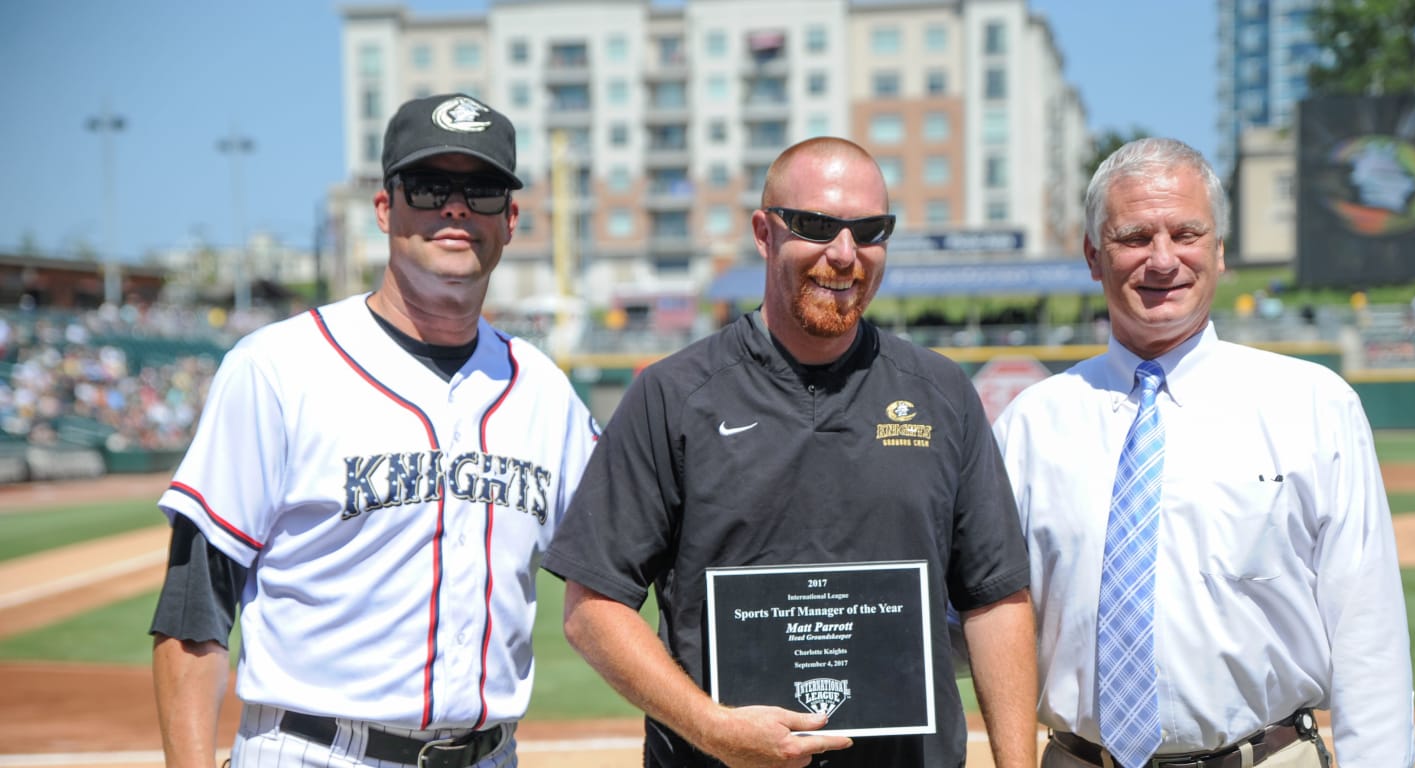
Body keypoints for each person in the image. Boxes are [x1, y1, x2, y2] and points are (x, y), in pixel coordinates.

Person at [542, 137, 1037, 768]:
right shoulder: (672, 394)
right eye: (815, 226)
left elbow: (995, 599)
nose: (843, 254)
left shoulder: (942, 395)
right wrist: (713, 727)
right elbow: (594, 609)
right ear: (763, 233)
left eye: (869, 230)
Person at [148, 93, 598, 768]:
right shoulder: (277, 368)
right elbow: (194, 613)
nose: (455, 208)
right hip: (314, 750)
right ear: (385, 209)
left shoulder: (545, 392)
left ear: (509, 219)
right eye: (429, 186)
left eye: (479, 190)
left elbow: (630, 559)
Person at [992, 137, 1415, 768]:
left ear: (1218, 252)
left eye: (1187, 233)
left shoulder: (1313, 404)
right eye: (1134, 237)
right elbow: (977, 613)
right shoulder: (1032, 421)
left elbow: (1368, 629)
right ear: (1092, 255)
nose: (1163, 260)